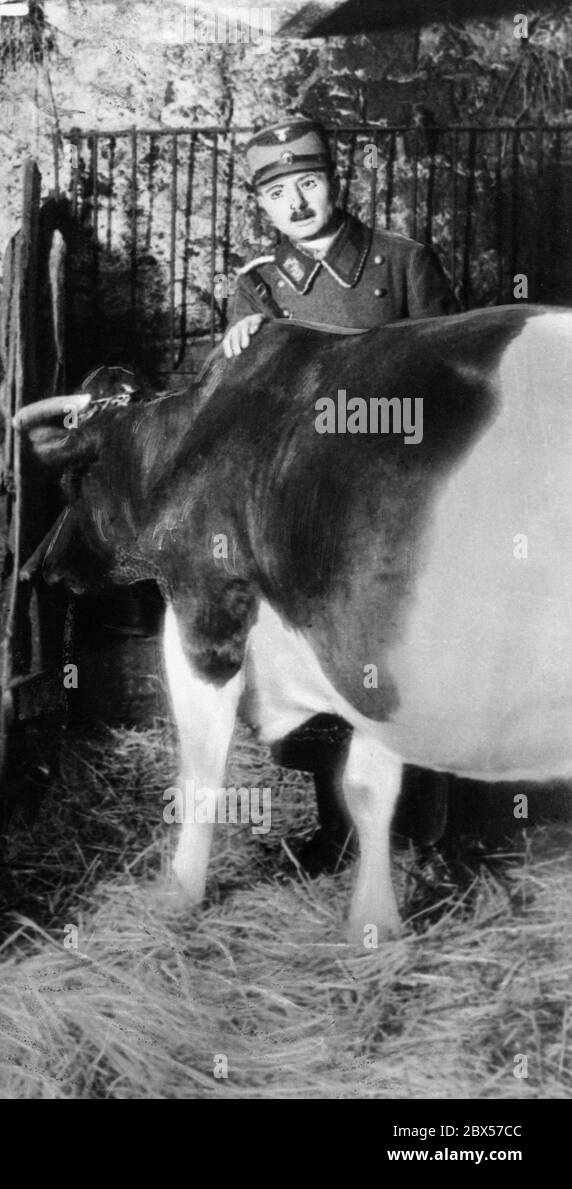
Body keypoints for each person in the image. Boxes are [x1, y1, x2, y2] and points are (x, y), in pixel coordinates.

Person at [220, 114, 460, 870]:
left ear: (336, 180)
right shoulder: (255, 287)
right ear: (261, 206)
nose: (296, 203)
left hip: (399, 503)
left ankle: (424, 836)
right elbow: (243, 421)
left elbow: (453, 383)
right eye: (277, 193)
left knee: (406, 665)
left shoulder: (404, 260)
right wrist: (234, 357)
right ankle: (336, 823)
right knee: (316, 671)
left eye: (309, 183)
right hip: (304, 514)